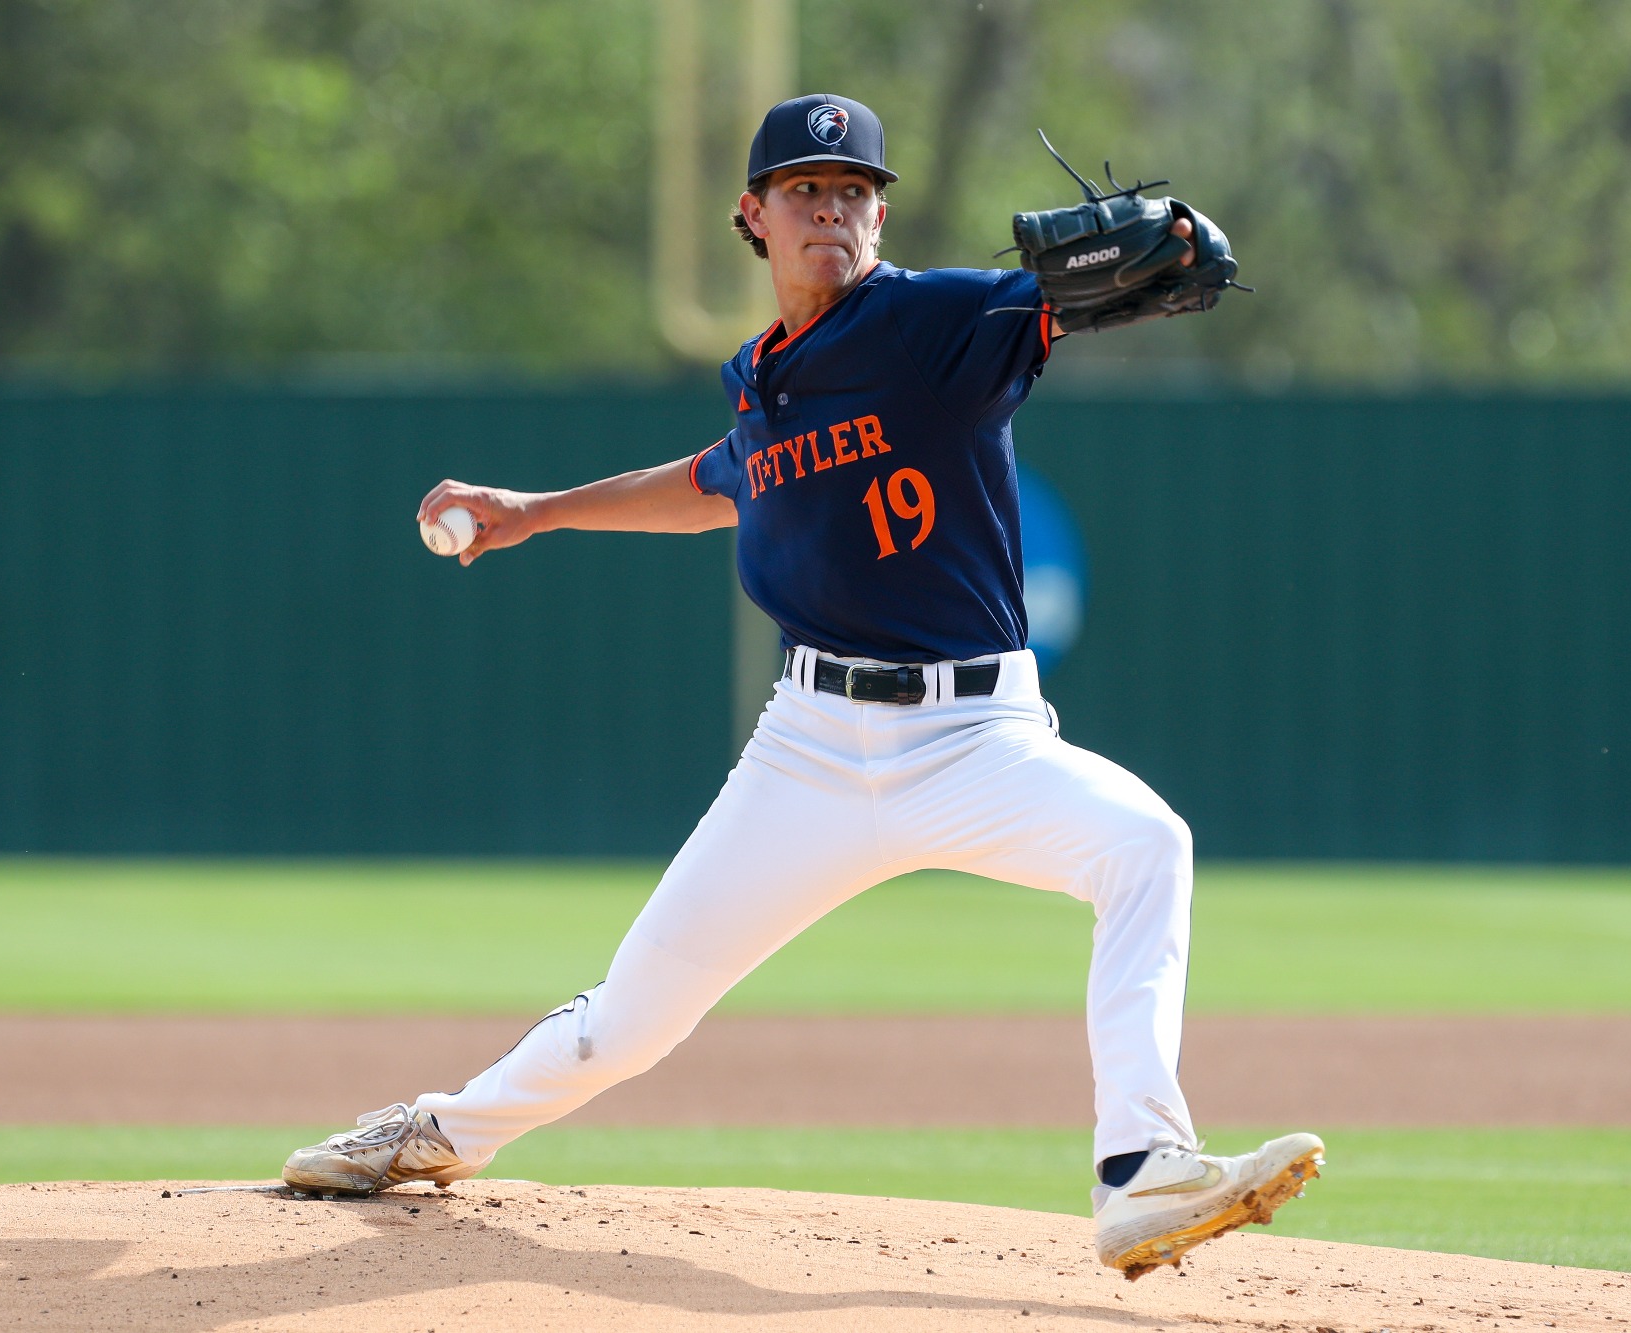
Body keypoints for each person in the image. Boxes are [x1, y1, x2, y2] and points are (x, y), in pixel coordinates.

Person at [283, 93, 1321, 1280]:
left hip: (973, 737)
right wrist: (540, 511)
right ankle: (432, 1133)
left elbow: (1064, 298)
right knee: (632, 1020)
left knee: (1146, 845)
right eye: (804, 189)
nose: (831, 207)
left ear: (879, 217)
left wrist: (1173, 234)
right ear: (752, 217)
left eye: (854, 192)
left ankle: (1139, 1171)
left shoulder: (936, 319)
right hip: (807, 750)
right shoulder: (760, 375)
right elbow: (719, 479)